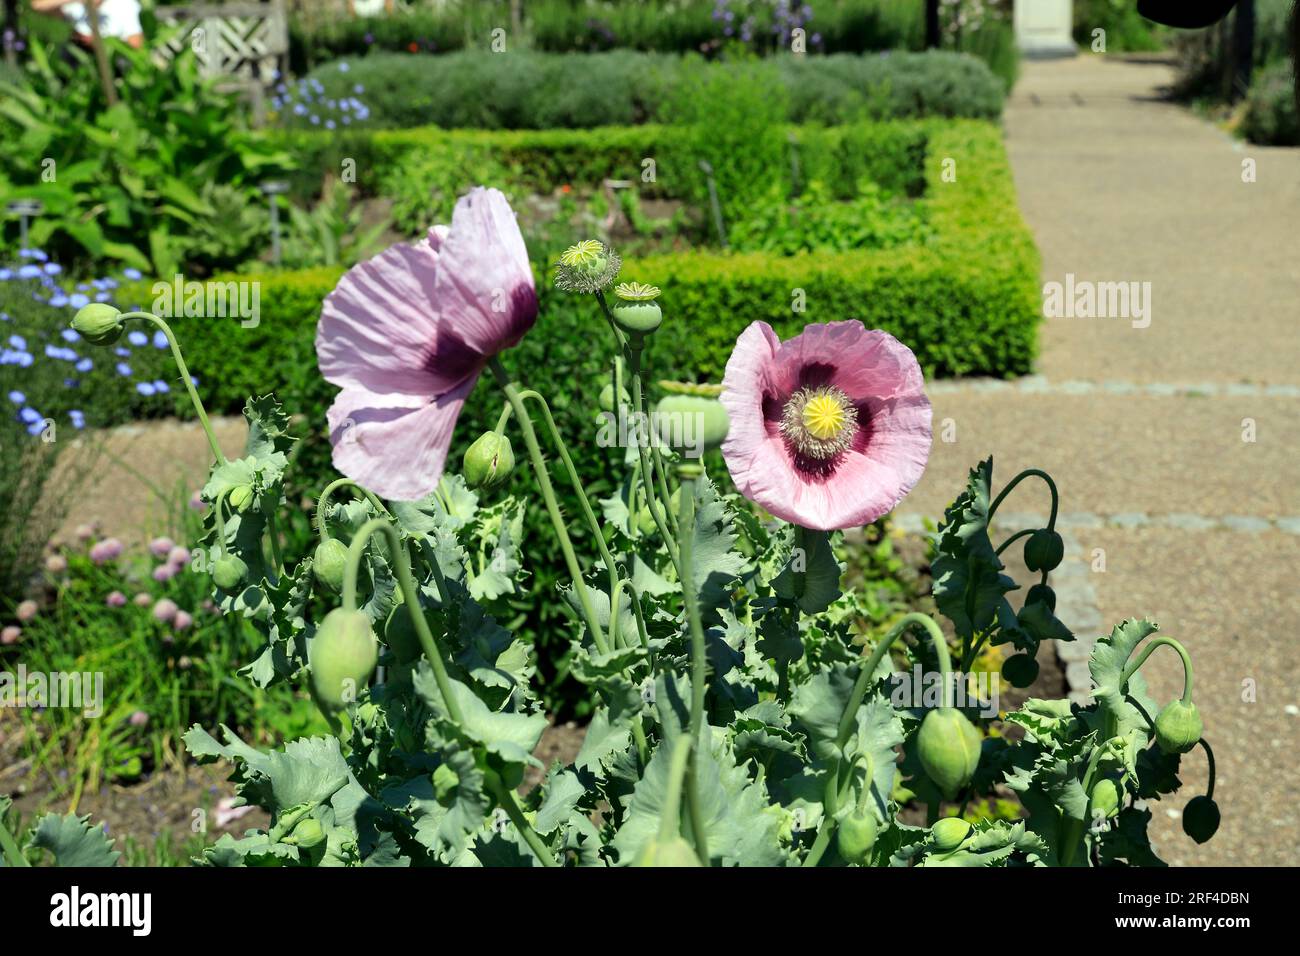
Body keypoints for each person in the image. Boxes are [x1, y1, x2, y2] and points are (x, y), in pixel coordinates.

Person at [31, 0, 143, 50]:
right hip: (81, 58)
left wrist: (99, 43)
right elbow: (37, 5)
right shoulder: (77, 7)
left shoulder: (125, 5)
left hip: (114, 64)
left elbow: (136, 44)